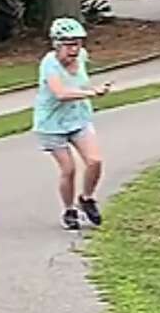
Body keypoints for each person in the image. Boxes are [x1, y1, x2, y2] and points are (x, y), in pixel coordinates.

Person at [32, 17, 113, 230]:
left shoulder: (82, 57)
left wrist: (96, 88)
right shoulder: (49, 64)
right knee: (68, 169)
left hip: (78, 118)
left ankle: (86, 199)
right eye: (69, 44)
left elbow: (81, 82)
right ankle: (69, 210)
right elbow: (60, 93)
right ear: (57, 44)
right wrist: (90, 93)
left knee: (95, 161)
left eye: (77, 43)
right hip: (51, 124)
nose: (74, 49)